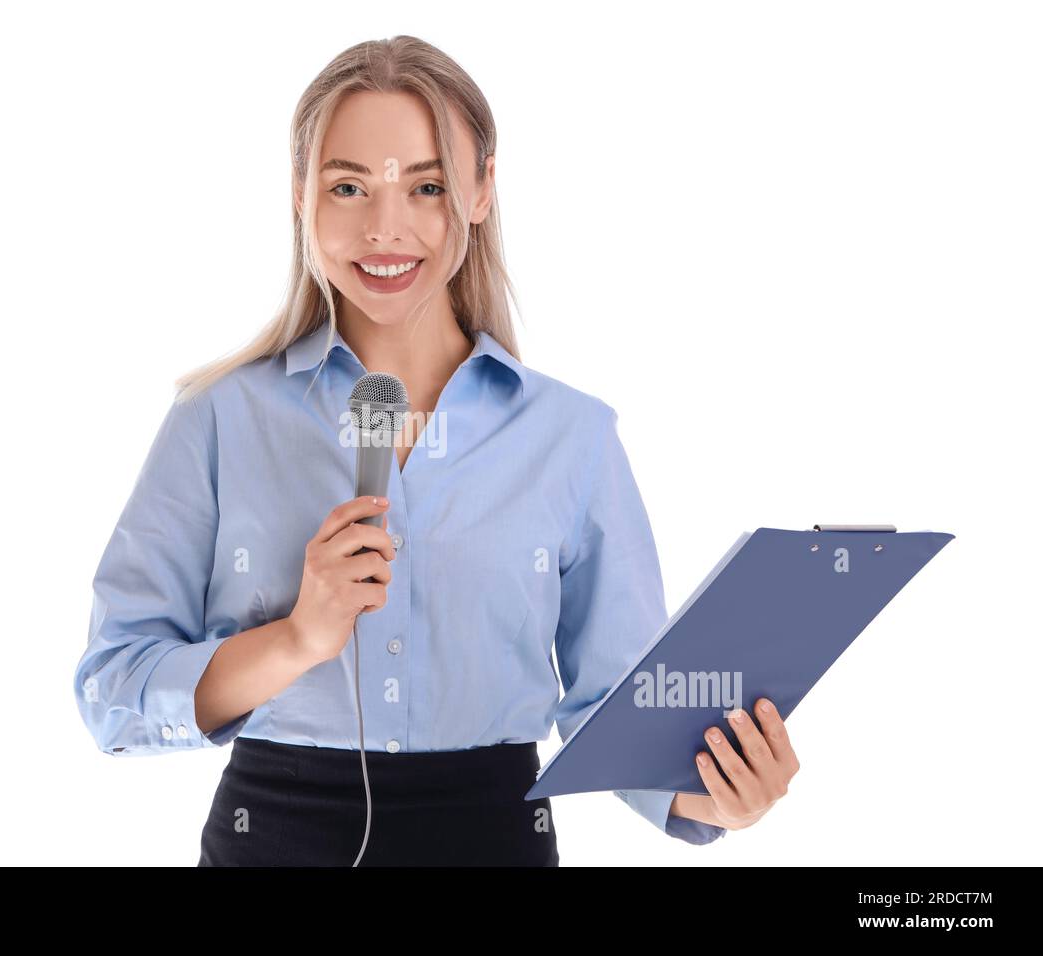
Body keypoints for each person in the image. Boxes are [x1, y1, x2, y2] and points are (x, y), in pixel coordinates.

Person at [72, 35, 800, 867]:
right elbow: (113, 690)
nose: (387, 229)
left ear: (483, 189)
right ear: (301, 196)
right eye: (349, 186)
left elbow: (619, 710)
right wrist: (298, 639)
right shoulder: (217, 418)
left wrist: (717, 793)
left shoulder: (573, 437)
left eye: (427, 186)